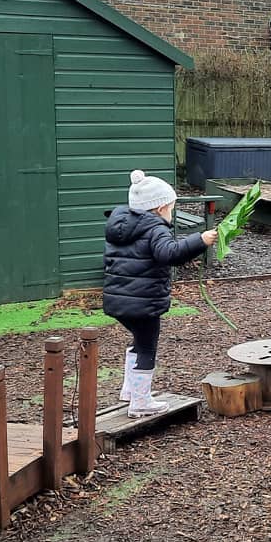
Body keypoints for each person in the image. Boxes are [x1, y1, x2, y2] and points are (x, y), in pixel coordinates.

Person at [103, 170, 218, 417]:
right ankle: (140, 402)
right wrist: (200, 241)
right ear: (161, 208)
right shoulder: (156, 228)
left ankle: (130, 391)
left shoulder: (121, 225)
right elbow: (170, 254)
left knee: (138, 341)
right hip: (143, 302)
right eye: (171, 208)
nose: (171, 213)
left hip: (118, 299)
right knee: (147, 347)